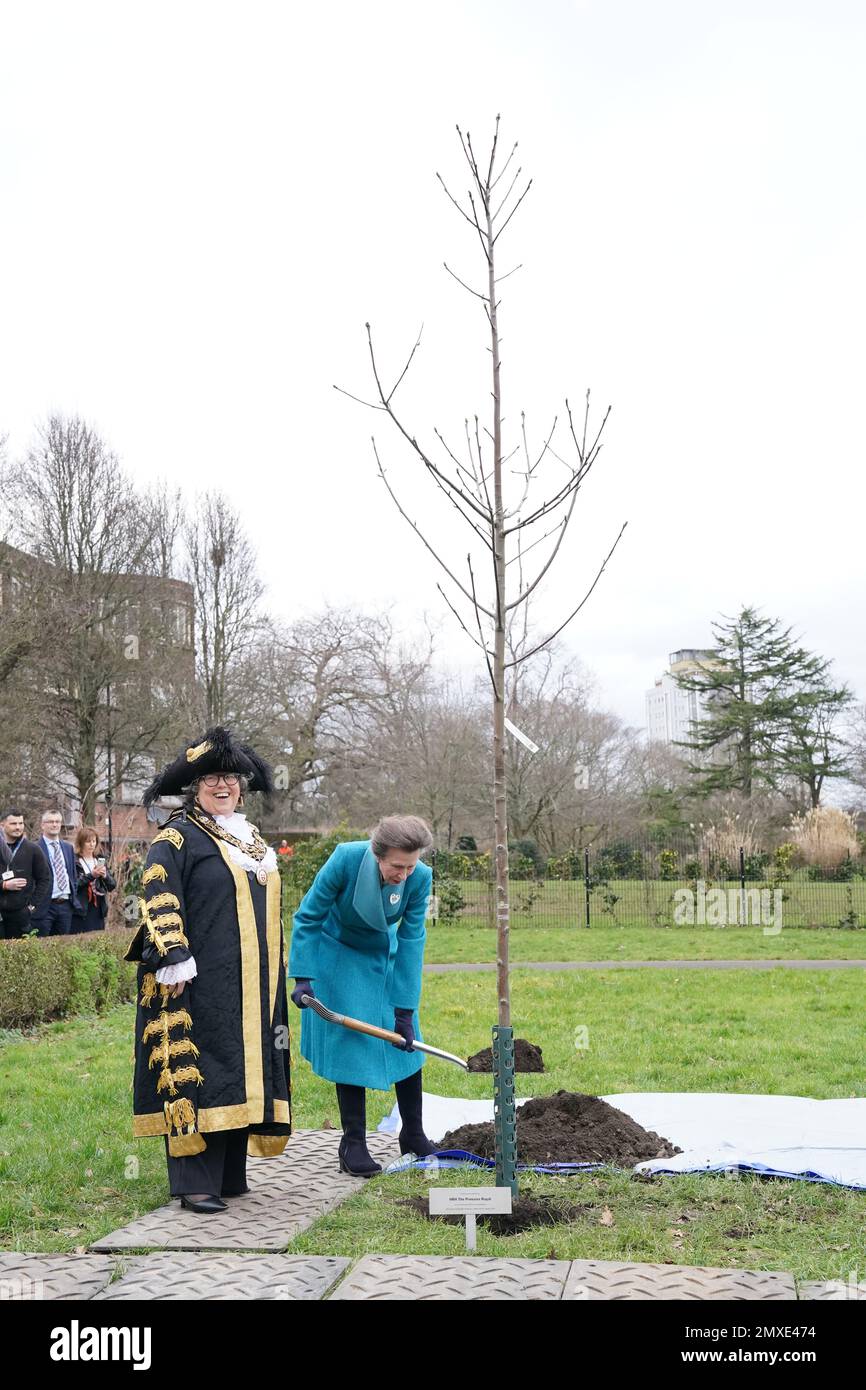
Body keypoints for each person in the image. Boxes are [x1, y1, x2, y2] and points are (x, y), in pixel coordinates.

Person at [125, 726, 291, 1213]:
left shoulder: (250, 837)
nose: (223, 786)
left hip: (254, 981)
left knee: (240, 1067)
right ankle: (193, 1182)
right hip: (195, 976)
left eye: (231, 778)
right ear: (194, 787)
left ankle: (228, 1173)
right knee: (197, 1067)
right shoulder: (177, 836)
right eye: (212, 779)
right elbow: (157, 894)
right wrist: (175, 954)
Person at [289, 814, 437, 1177]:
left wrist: (405, 1007)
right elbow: (308, 917)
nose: (403, 874)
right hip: (338, 950)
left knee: (406, 1041)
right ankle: (353, 1143)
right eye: (396, 866)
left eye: (410, 865)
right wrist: (303, 976)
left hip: (381, 952)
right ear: (377, 854)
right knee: (353, 1042)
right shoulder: (345, 859)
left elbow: (412, 940)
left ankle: (413, 1134)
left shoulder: (420, 877)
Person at [31, 809, 84, 936]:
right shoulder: (34, 848)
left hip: (65, 906)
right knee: (42, 946)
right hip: (44, 906)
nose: (54, 825)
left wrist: (73, 897)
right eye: (50, 822)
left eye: (57, 822)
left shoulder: (68, 848)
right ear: (43, 825)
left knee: (63, 947)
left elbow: (72, 876)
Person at [0, 809, 51, 939]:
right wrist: (4, 885)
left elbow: (44, 879)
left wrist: (32, 906)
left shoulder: (33, 849)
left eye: (21, 823)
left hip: (20, 916)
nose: (18, 827)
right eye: (13, 824)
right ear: (2, 825)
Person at [74, 826, 116, 931]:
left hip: (98, 907)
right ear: (81, 842)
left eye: (94, 841)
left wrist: (105, 876)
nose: (92, 844)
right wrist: (92, 875)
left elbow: (112, 885)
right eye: (88, 841)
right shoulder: (75, 861)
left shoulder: (100, 859)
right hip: (81, 908)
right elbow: (75, 884)